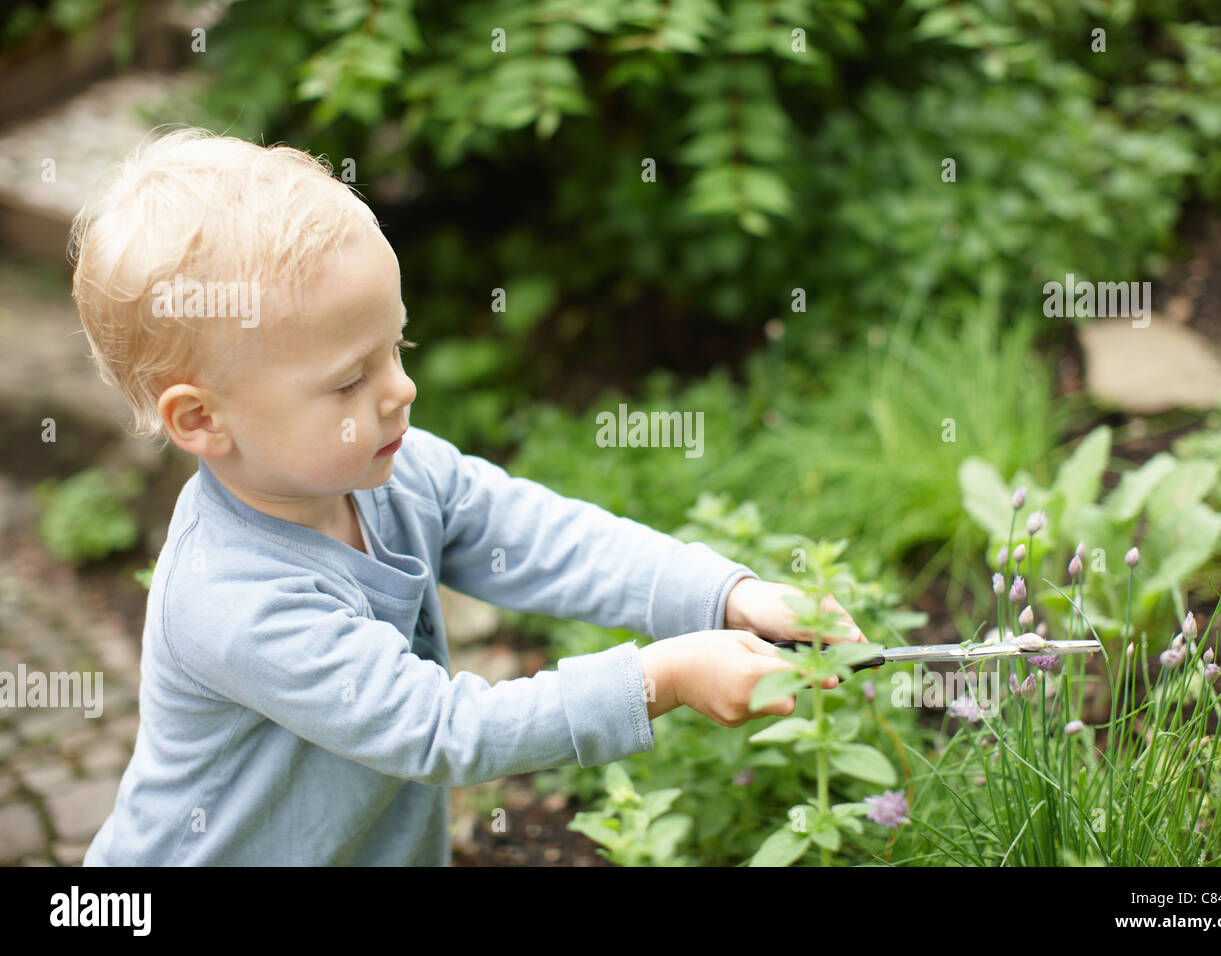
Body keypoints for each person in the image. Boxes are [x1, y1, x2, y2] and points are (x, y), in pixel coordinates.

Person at [70, 127, 866, 865]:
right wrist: (661, 678)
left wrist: (724, 594)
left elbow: (540, 535)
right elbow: (444, 729)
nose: (401, 389)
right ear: (202, 419)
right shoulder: (232, 598)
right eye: (351, 379)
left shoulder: (393, 469)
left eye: (398, 346)